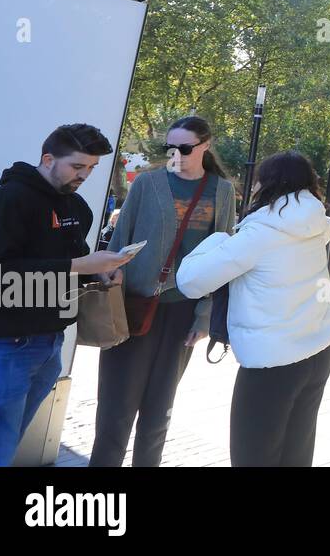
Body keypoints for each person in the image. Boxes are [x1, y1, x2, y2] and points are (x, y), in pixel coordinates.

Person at [0, 124, 131, 467]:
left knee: (3, 446)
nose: (85, 175)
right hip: (1, 346)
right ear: (48, 159)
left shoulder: (76, 207)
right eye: (78, 166)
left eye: (91, 167)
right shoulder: (7, 201)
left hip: (49, 343)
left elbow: (69, 263)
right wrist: (78, 263)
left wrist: (99, 270)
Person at [90, 116, 237, 467]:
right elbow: (121, 240)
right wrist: (112, 276)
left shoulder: (222, 191)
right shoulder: (148, 183)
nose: (176, 154)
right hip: (134, 306)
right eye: (169, 147)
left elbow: (222, 258)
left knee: (160, 408)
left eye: (184, 148)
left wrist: (205, 317)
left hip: (183, 310)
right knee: (116, 407)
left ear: (205, 146)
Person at [177, 151, 330, 467]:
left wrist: (218, 240)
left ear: (267, 184)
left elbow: (190, 281)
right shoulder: (319, 225)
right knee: (296, 455)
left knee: (254, 456)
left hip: (272, 362)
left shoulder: (259, 234)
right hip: (317, 352)